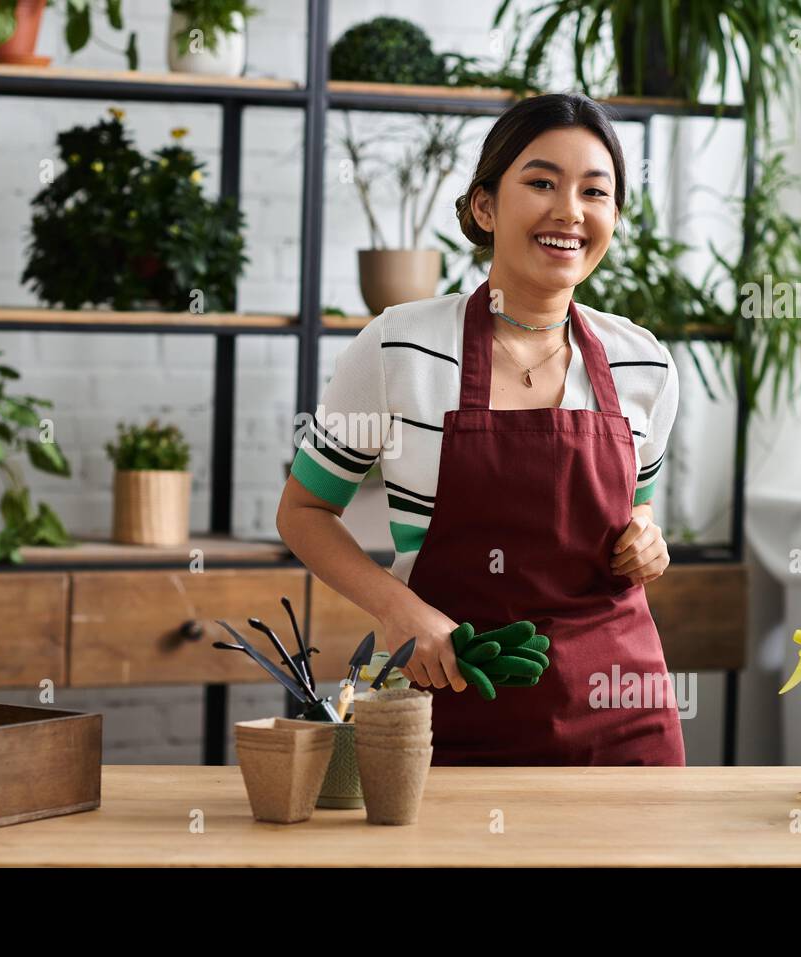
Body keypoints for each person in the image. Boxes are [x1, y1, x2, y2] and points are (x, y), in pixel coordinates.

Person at [276, 92, 685, 766]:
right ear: (484, 206)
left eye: (594, 191)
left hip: (622, 718)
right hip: (443, 708)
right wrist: (399, 608)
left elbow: (636, 513)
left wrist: (650, 543)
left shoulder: (644, 362)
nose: (569, 211)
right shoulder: (397, 348)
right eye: (542, 182)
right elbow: (304, 511)